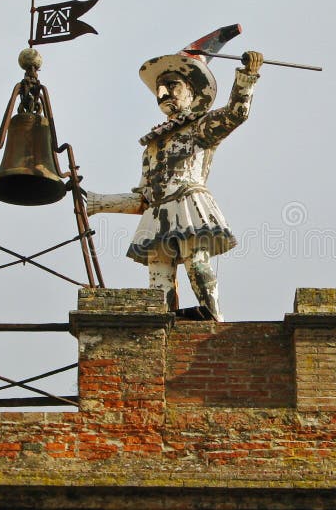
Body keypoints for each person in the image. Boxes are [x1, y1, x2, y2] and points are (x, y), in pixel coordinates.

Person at [85, 32, 263, 321]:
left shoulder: (200, 127)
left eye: (171, 86)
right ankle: (163, 323)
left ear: (191, 91)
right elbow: (144, 198)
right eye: (159, 89)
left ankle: (213, 320)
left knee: (197, 264)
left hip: (188, 204)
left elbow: (235, 114)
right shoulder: (152, 147)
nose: (163, 94)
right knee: (158, 274)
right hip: (158, 212)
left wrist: (247, 77)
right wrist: (97, 202)